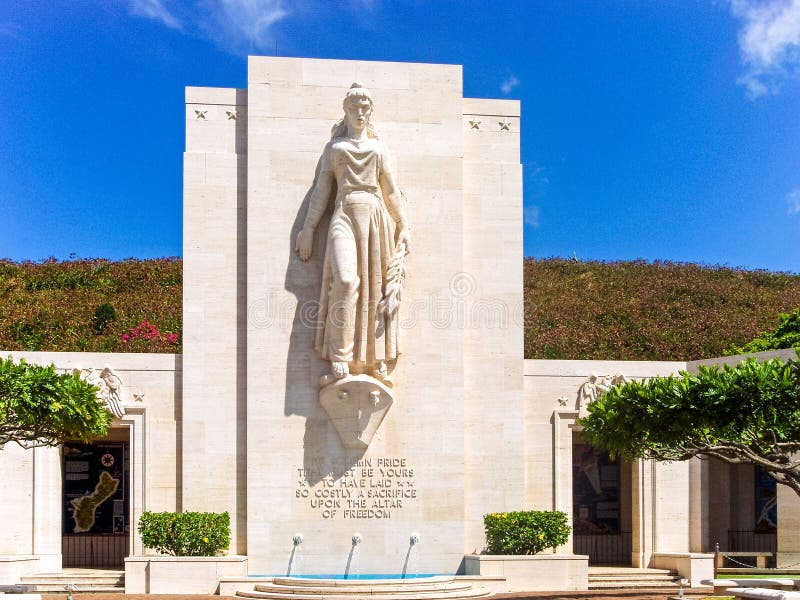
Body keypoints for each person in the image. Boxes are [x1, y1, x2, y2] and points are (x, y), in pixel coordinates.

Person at [296, 83, 410, 382]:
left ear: (370, 112)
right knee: (345, 281)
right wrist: (308, 228)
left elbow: (392, 191)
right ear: (346, 110)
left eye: (365, 108)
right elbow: (321, 191)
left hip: (375, 217)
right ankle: (340, 355)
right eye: (354, 108)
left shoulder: (379, 149)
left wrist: (404, 225)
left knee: (376, 289)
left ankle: (376, 358)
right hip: (344, 213)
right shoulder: (335, 149)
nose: (360, 113)